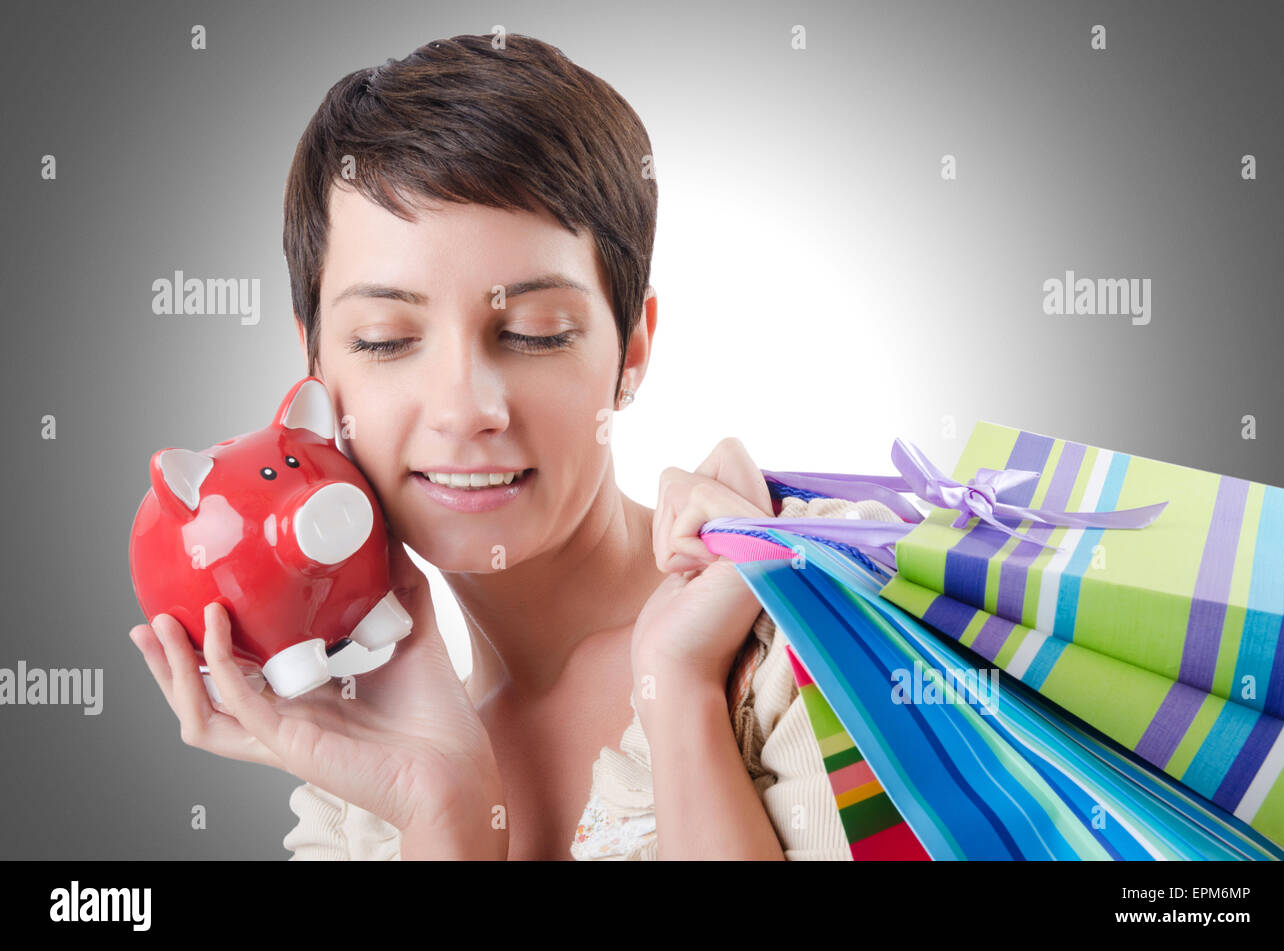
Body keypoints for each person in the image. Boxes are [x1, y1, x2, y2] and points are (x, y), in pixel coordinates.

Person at [128, 33, 901, 860]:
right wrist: (442, 812)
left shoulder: (808, 628)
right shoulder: (356, 804)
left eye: (534, 333)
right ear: (315, 369)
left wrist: (681, 698)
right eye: (387, 339)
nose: (466, 410)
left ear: (631, 349)